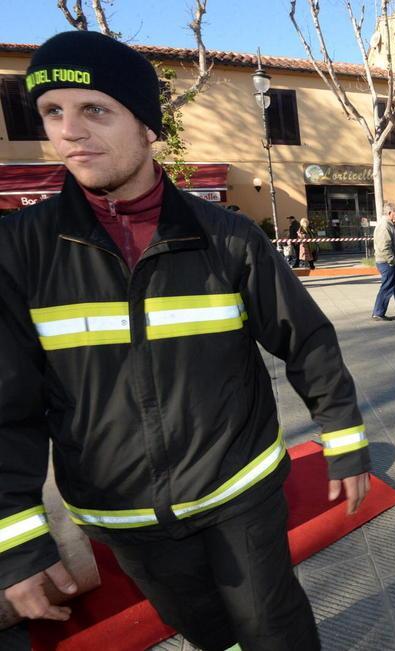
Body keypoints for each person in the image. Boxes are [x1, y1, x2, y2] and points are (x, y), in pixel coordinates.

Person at [0, 31, 372, 651]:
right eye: (51, 112)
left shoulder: (227, 237)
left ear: (148, 127)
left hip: (239, 492)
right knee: (206, 632)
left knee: (272, 629)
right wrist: (15, 538)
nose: (69, 131)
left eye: (94, 109)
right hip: (121, 517)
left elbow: (306, 338)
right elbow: (6, 401)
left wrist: (346, 440)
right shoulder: (19, 248)